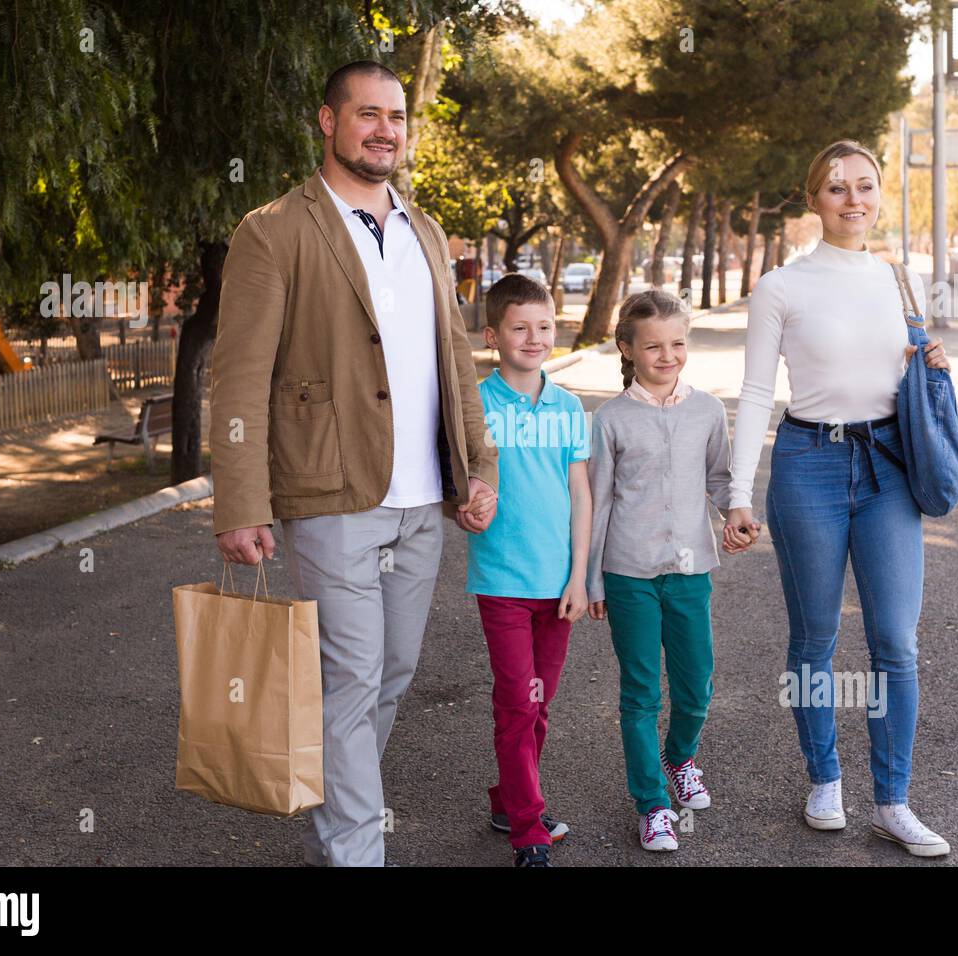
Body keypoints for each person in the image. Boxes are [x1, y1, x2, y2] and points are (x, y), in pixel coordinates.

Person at [209, 60, 498, 867]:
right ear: (328, 123)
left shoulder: (426, 231)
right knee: (352, 679)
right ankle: (355, 852)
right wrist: (240, 501)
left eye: (397, 117)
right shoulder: (273, 229)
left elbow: (454, 359)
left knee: (393, 673)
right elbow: (238, 376)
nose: (385, 130)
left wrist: (480, 465)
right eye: (367, 113)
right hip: (328, 490)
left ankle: (337, 805)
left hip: (421, 496)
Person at [723, 140, 953, 858]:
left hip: (887, 470)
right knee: (815, 639)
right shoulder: (782, 288)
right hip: (807, 467)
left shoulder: (900, 282)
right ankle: (824, 778)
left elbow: (906, 373)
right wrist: (737, 493)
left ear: (879, 194)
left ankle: (893, 801)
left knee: (895, 642)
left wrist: (936, 364)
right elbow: (758, 391)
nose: (853, 199)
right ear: (813, 199)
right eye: (836, 188)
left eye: (865, 185)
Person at [587, 290, 733, 852]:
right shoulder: (610, 418)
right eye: (653, 346)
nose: (667, 355)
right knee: (640, 693)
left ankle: (680, 756)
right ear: (627, 348)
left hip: (692, 569)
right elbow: (598, 501)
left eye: (677, 343)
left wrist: (737, 513)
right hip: (629, 574)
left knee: (697, 686)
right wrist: (593, 579)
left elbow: (720, 478)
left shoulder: (709, 410)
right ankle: (652, 805)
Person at [467, 273, 592, 868]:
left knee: (539, 705)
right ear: (494, 335)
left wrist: (581, 576)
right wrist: (463, 507)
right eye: (520, 327)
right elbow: (459, 481)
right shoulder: (476, 404)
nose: (534, 337)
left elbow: (581, 496)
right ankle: (528, 831)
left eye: (544, 327)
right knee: (518, 702)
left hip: (560, 583)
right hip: (502, 584)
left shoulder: (568, 407)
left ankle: (509, 797)